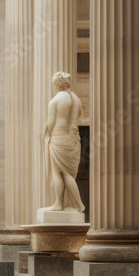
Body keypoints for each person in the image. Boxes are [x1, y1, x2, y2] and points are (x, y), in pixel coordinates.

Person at [42, 72, 85, 212]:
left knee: (57, 171)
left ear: (56, 84)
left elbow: (51, 122)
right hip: (73, 139)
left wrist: (44, 131)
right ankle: (77, 204)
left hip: (58, 137)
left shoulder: (54, 101)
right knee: (67, 173)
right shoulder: (76, 99)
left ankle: (60, 204)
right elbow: (78, 117)